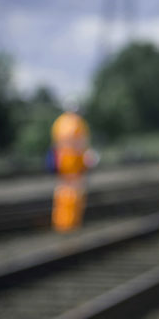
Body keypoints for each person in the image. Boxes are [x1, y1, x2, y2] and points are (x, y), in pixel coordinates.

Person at [50, 99, 93, 232]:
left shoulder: (59, 122)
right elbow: (82, 144)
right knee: (76, 192)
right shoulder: (78, 123)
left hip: (61, 162)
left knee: (62, 191)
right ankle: (72, 222)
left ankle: (61, 222)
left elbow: (55, 144)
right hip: (75, 163)